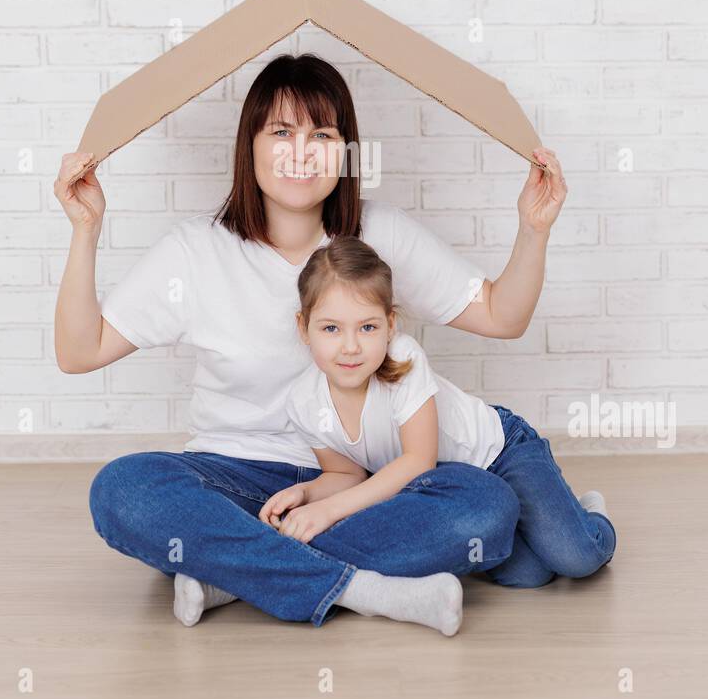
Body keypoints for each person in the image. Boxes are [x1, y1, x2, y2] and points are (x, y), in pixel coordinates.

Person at [54, 51, 567, 634]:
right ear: (249, 145)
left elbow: (503, 316)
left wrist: (534, 229)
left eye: (321, 134)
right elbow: (79, 351)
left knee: (485, 507)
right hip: (234, 480)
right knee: (125, 489)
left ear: (346, 152)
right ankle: (366, 589)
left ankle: (235, 574)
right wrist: (85, 229)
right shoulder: (194, 251)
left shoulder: (380, 235)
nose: (300, 152)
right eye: (280, 132)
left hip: (357, 485)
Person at [260, 236, 616, 594]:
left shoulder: (403, 359)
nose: (351, 346)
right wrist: (307, 494)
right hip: (455, 486)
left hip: (500, 453)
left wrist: (328, 511)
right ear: (303, 327)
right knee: (528, 575)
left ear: (390, 325)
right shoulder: (304, 401)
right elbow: (346, 473)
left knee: (577, 557)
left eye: (367, 327)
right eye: (331, 328)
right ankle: (530, 522)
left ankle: (589, 515)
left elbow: (418, 462)